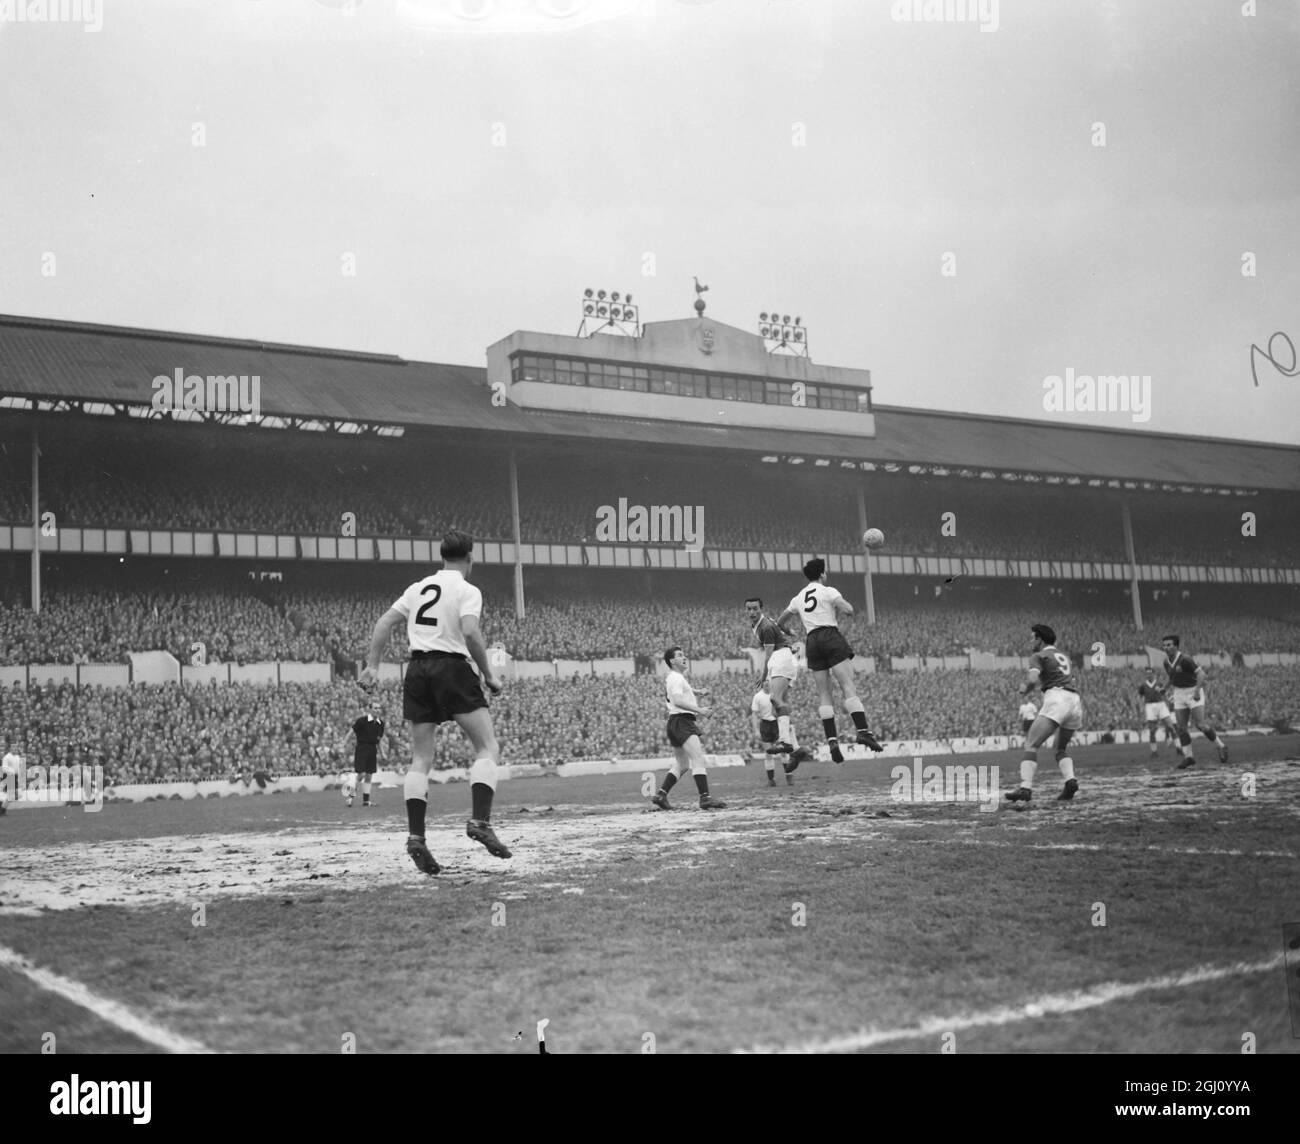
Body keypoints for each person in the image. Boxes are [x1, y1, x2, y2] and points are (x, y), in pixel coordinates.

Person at [360, 530, 509, 875]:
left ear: (441, 557)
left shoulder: (417, 588)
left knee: (421, 758)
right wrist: (488, 674)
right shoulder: (468, 590)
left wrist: (372, 666)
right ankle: (480, 822)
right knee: (487, 747)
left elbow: (384, 622)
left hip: (417, 669)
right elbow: (471, 632)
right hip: (452, 668)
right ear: (470, 558)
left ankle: (416, 837)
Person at [776, 557, 883, 764]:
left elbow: (781, 621)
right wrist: (845, 608)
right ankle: (862, 731)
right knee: (847, 685)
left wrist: (788, 629)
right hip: (830, 636)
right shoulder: (828, 591)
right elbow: (849, 609)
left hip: (812, 641)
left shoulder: (798, 597)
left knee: (824, 693)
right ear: (822, 574)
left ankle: (832, 740)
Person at [1005, 623, 1080, 806]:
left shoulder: (1038, 656)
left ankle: (1025, 788)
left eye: (1033, 637)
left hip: (1057, 699)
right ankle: (1070, 781)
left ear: (1040, 639)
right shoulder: (1064, 656)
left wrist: (1026, 688)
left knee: (1031, 743)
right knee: (1060, 748)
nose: (1031, 641)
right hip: (1074, 701)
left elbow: (1032, 679)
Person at [649, 646, 726, 811]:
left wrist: (697, 692)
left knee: (682, 764)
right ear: (672, 661)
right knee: (697, 758)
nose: (684, 657)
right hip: (682, 721)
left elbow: (679, 694)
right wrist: (701, 710)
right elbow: (677, 700)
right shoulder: (676, 678)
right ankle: (705, 798)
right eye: (680, 655)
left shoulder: (675, 677)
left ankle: (661, 795)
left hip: (674, 723)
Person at [745, 596, 813, 777]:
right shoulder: (765, 623)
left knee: (774, 699)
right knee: (779, 707)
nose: (752, 612)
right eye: (749, 609)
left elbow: (767, 655)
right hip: (786, 658)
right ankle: (796, 749)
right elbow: (779, 625)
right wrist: (788, 630)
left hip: (780, 658)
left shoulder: (765, 627)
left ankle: (785, 742)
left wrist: (762, 675)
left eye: (755, 609)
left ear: (761, 609)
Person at [1160, 635, 1228, 768]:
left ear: (1176, 646)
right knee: (1181, 728)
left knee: (1200, 725)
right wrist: (1165, 687)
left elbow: (1202, 675)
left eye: (1169, 645)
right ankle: (1189, 757)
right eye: (1164, 645)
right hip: (1179, 693)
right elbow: (1172, 677)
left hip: (1193, 691)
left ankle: (1222, 746)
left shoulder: (1185, 660)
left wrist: (1197, 691)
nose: (1166, 648)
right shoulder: (1165, 662)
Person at [338, 697, 389, 808]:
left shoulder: (381, 724)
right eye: (375, 708)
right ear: (370, 709)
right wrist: (343, 745)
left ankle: (366, 801)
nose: (377, 710)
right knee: (361, 774)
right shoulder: (362, 721)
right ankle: (350, 797)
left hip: (372, 750)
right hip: (361, 748)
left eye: (379, 708)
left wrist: (382, 753)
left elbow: (378, 739)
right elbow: (351, 732)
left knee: (369, 775)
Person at [1137, 670, 1179, 759]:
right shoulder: (1143, 686)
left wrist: (1168, 698)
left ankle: (1179, 748)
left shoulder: (1159, 683)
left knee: (1171, 727)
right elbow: (1140, 696)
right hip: (1150, 706)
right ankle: (1154, 751)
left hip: (1161, 704)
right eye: (1147, 674)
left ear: (1154, 674)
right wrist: (1141, 707)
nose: (1149, 675)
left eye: (1150, 673)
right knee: (1152, 731)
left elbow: (1164, 692)